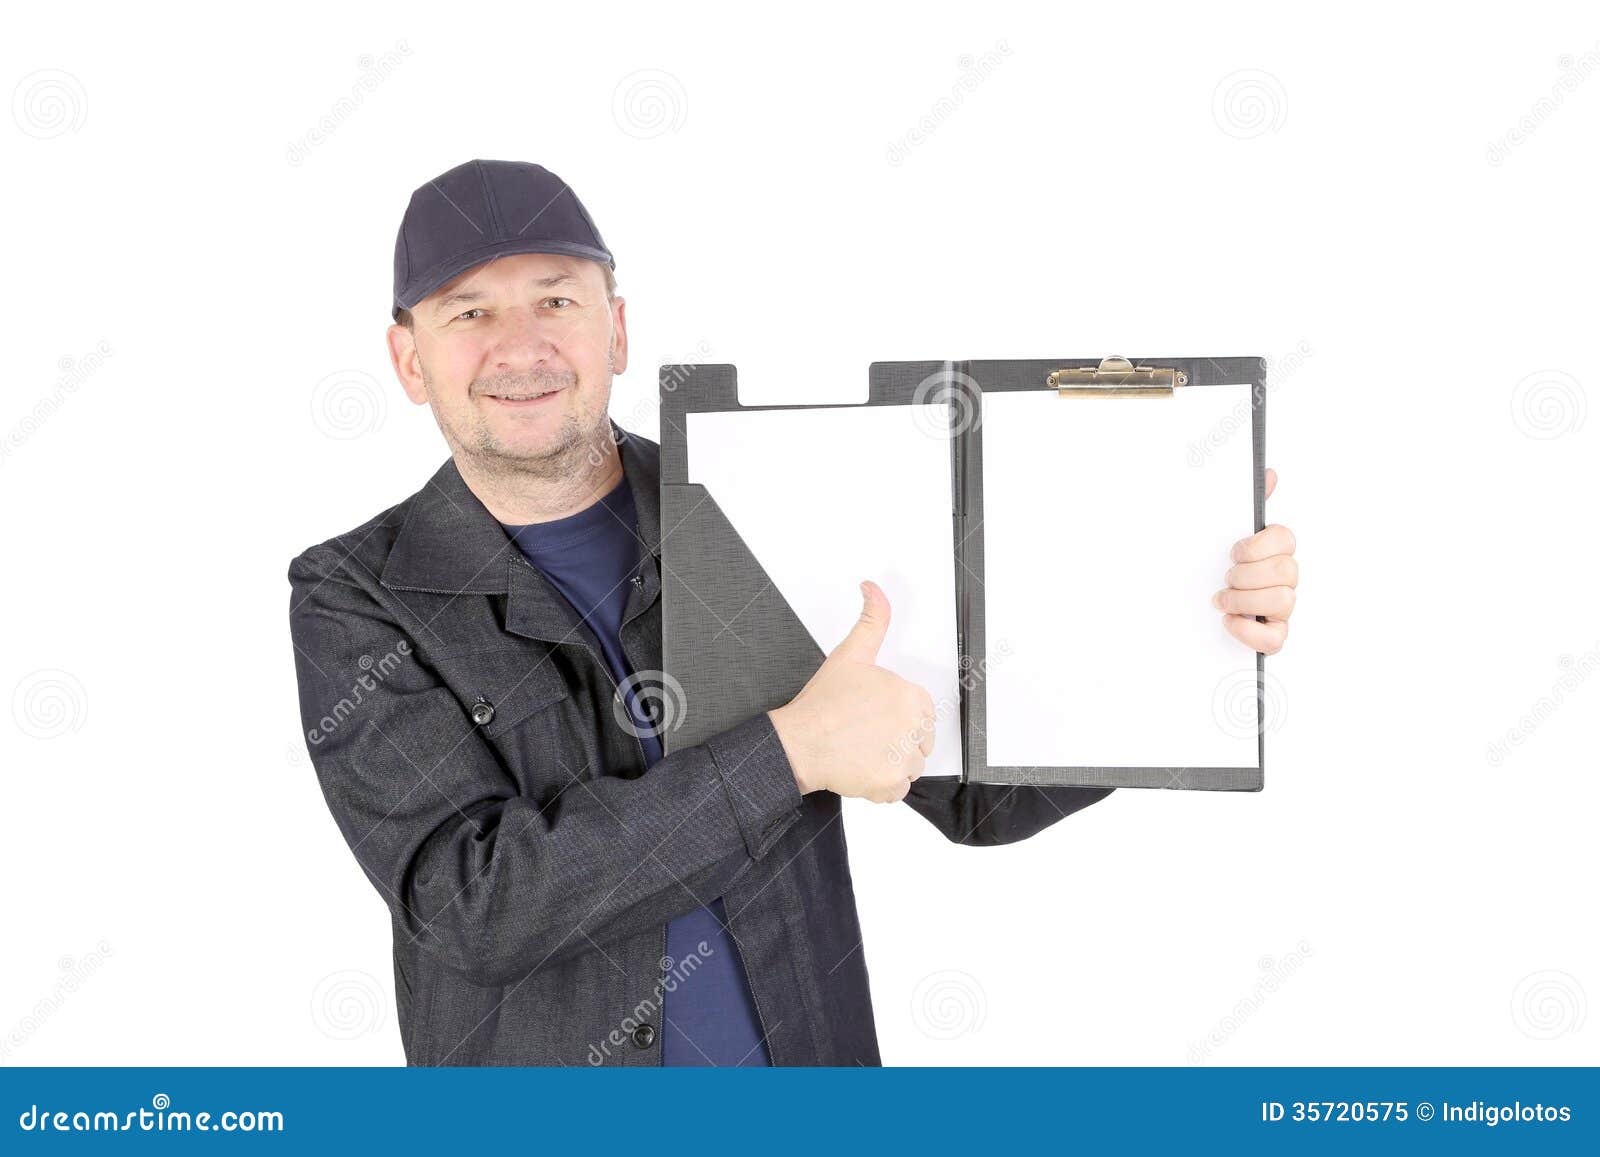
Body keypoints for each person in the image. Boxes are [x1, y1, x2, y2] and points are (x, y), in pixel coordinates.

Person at [286, 159, 1300, 1066]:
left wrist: (1174, 611)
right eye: (468, 312)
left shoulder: (747, 499)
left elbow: (976, 794)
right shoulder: (359, 595)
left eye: (557, 299)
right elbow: (472, 904)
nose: (521, 345)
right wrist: (787, 751)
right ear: (409, 360)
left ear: (617, 328)